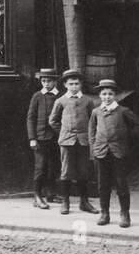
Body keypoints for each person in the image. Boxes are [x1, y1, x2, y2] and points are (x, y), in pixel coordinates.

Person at [89, 79, 139, 228]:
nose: (107, 97)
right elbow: (92, 132)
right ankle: (105, 213)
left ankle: (125, 214)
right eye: (104, 94)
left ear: (115, 96)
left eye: (110, 94)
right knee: (102, 185)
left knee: (121, 184)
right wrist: (93, 149)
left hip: (118, 152)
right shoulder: (96, 112)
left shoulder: (123, 111)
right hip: (101, 152)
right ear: (100, 95)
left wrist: (125, 136)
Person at [49, 69, 99, 215]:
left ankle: (84, 202)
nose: (74, 86)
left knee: (83, 171)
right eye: (71, 84)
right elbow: (53, 121)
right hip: (66, 141)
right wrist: (65, 132)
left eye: (77, 83)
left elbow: (93, 120)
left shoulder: (88, 101)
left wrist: (87, 134)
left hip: (83, 141)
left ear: (81, 84)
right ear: (65, 84)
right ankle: (66, 202)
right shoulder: (61, 101)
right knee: (66, 172)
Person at [26, 67, 62, 209]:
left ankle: (51, 193)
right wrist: (32, 138)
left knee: (54, 166)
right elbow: (30, 118)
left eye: (49, 81)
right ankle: (37, 196)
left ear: (55, 81)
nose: (46, 84)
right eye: (43, 81)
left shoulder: (61, 96)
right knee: (40, 167)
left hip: (56, 137)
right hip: (40, 138)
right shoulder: (37, 96)